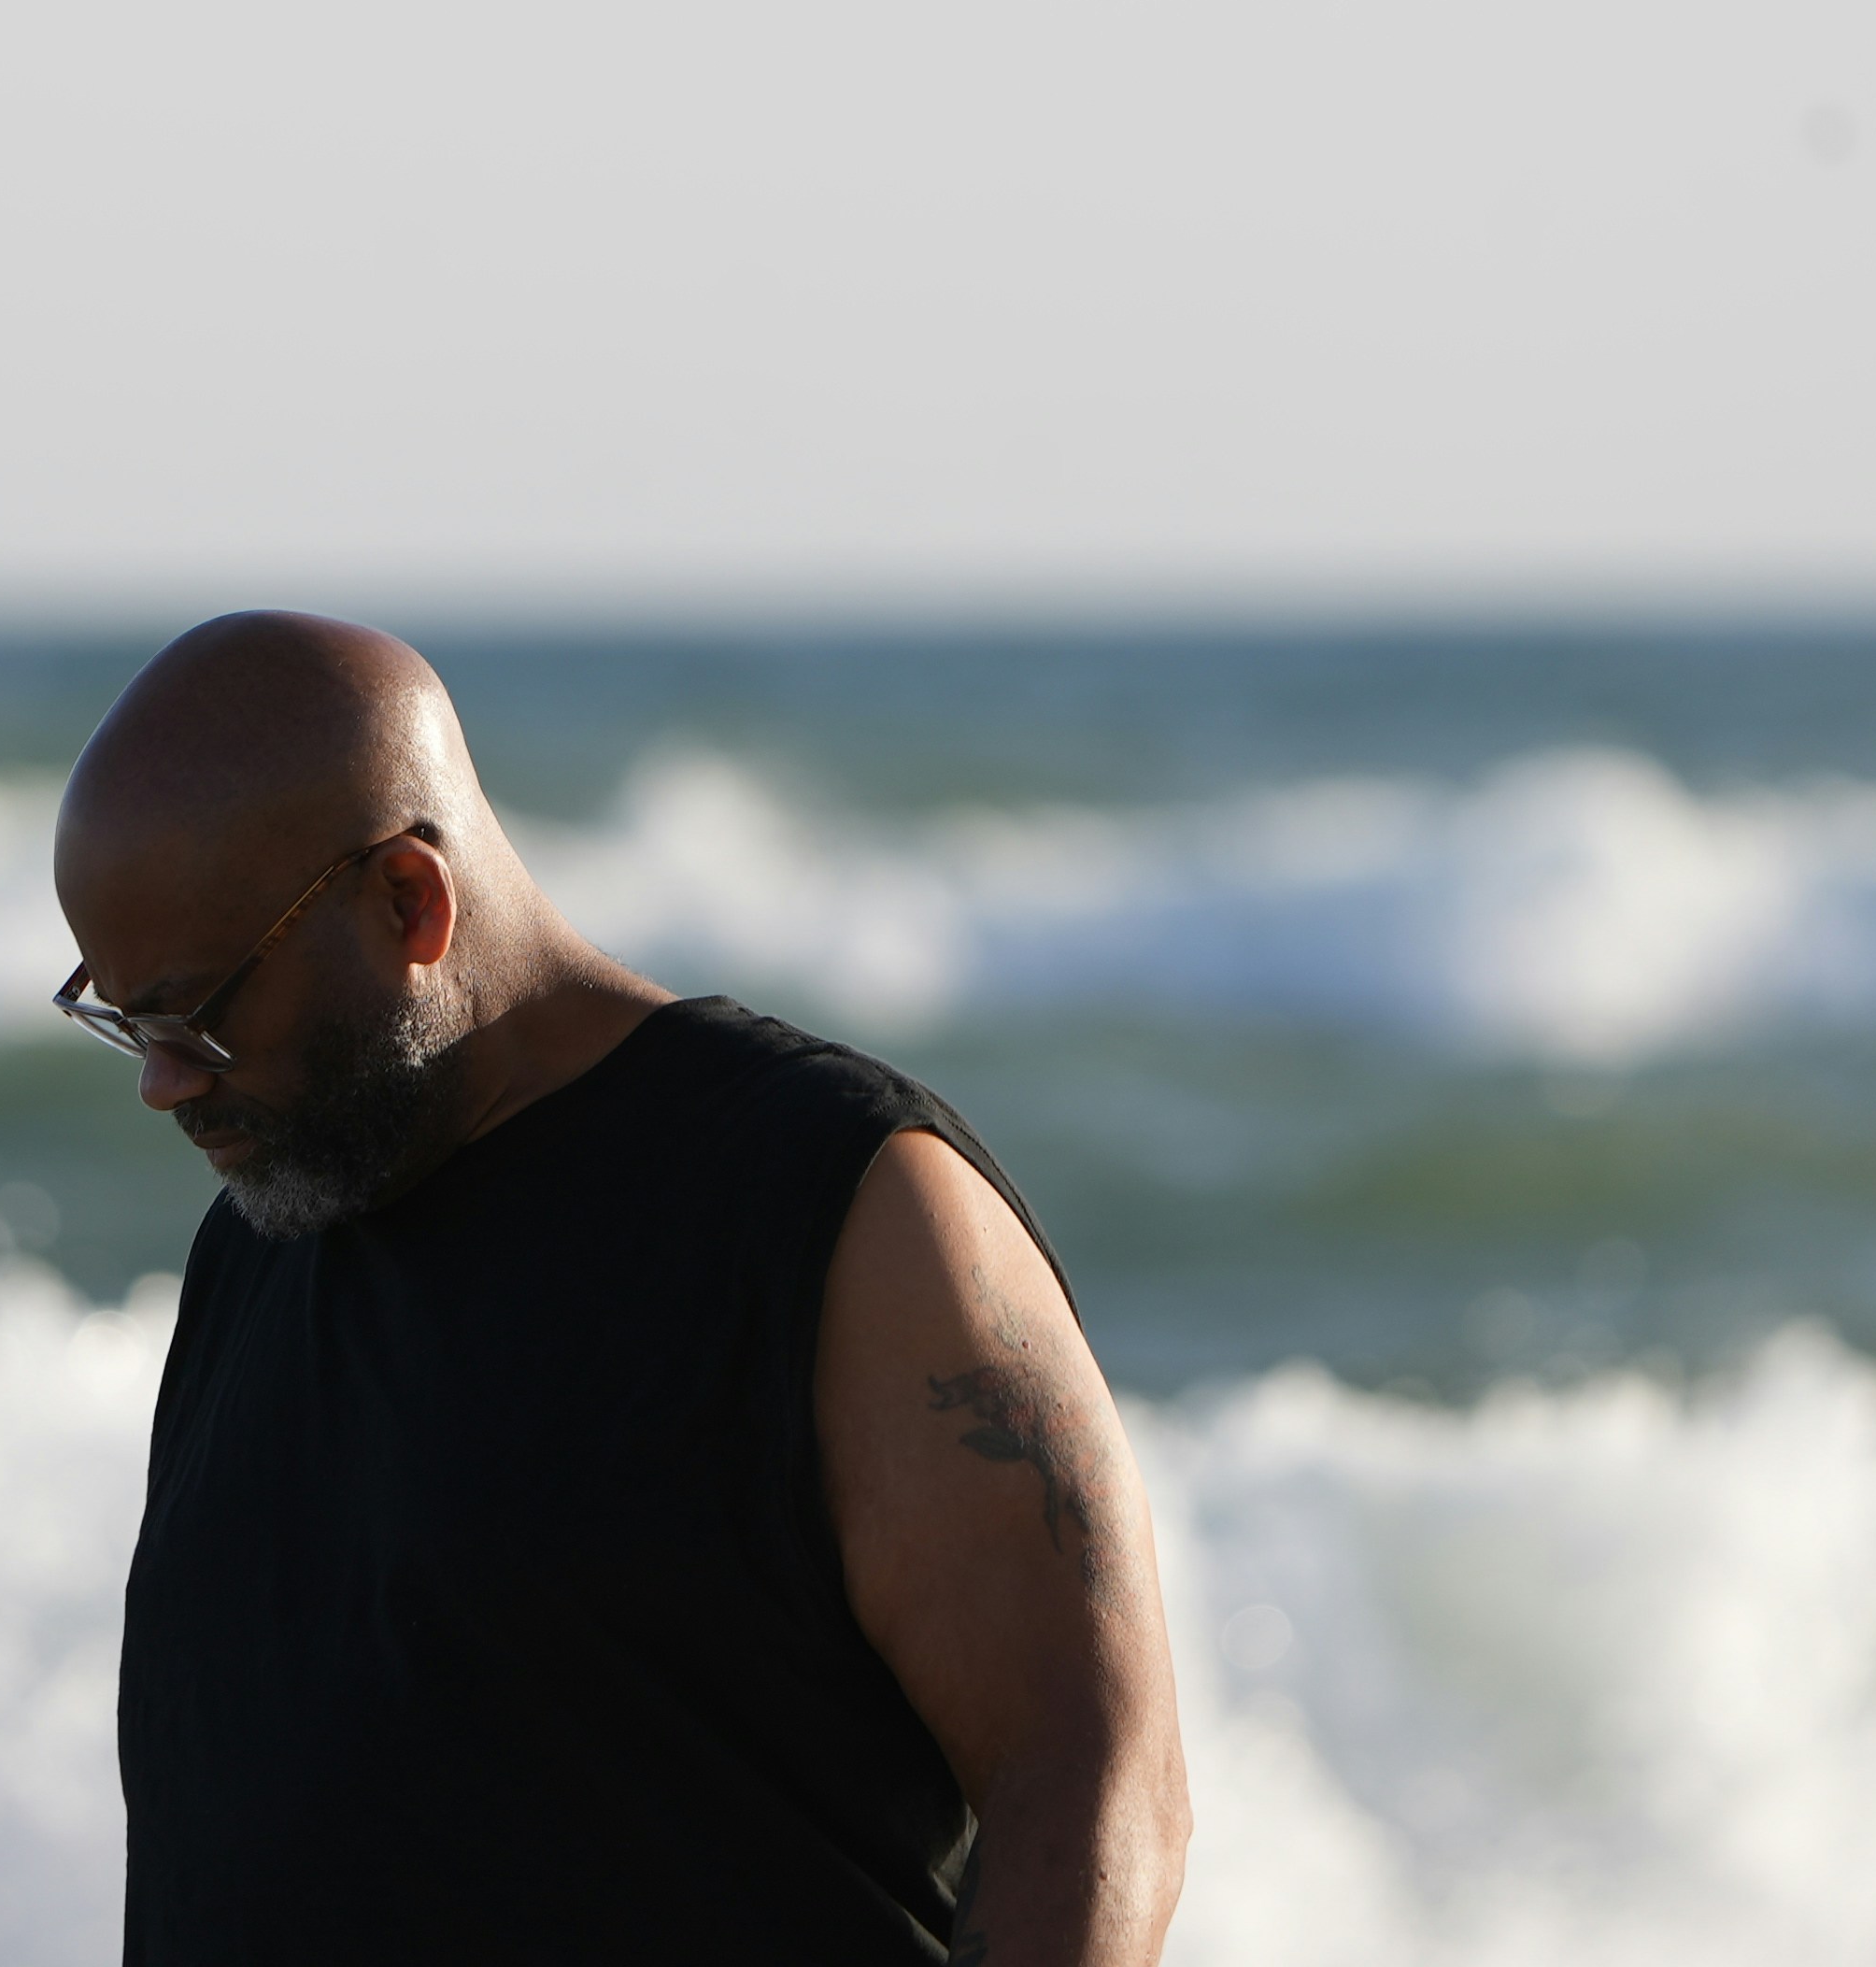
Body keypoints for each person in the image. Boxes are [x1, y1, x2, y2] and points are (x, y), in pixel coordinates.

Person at [58, 612, 1191, 1966]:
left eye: (198, 1014)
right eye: (125, 1021)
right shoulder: (257, 1247)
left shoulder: (827, 1200)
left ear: (411, 901)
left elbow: (1093, 1785)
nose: (164, 1081)